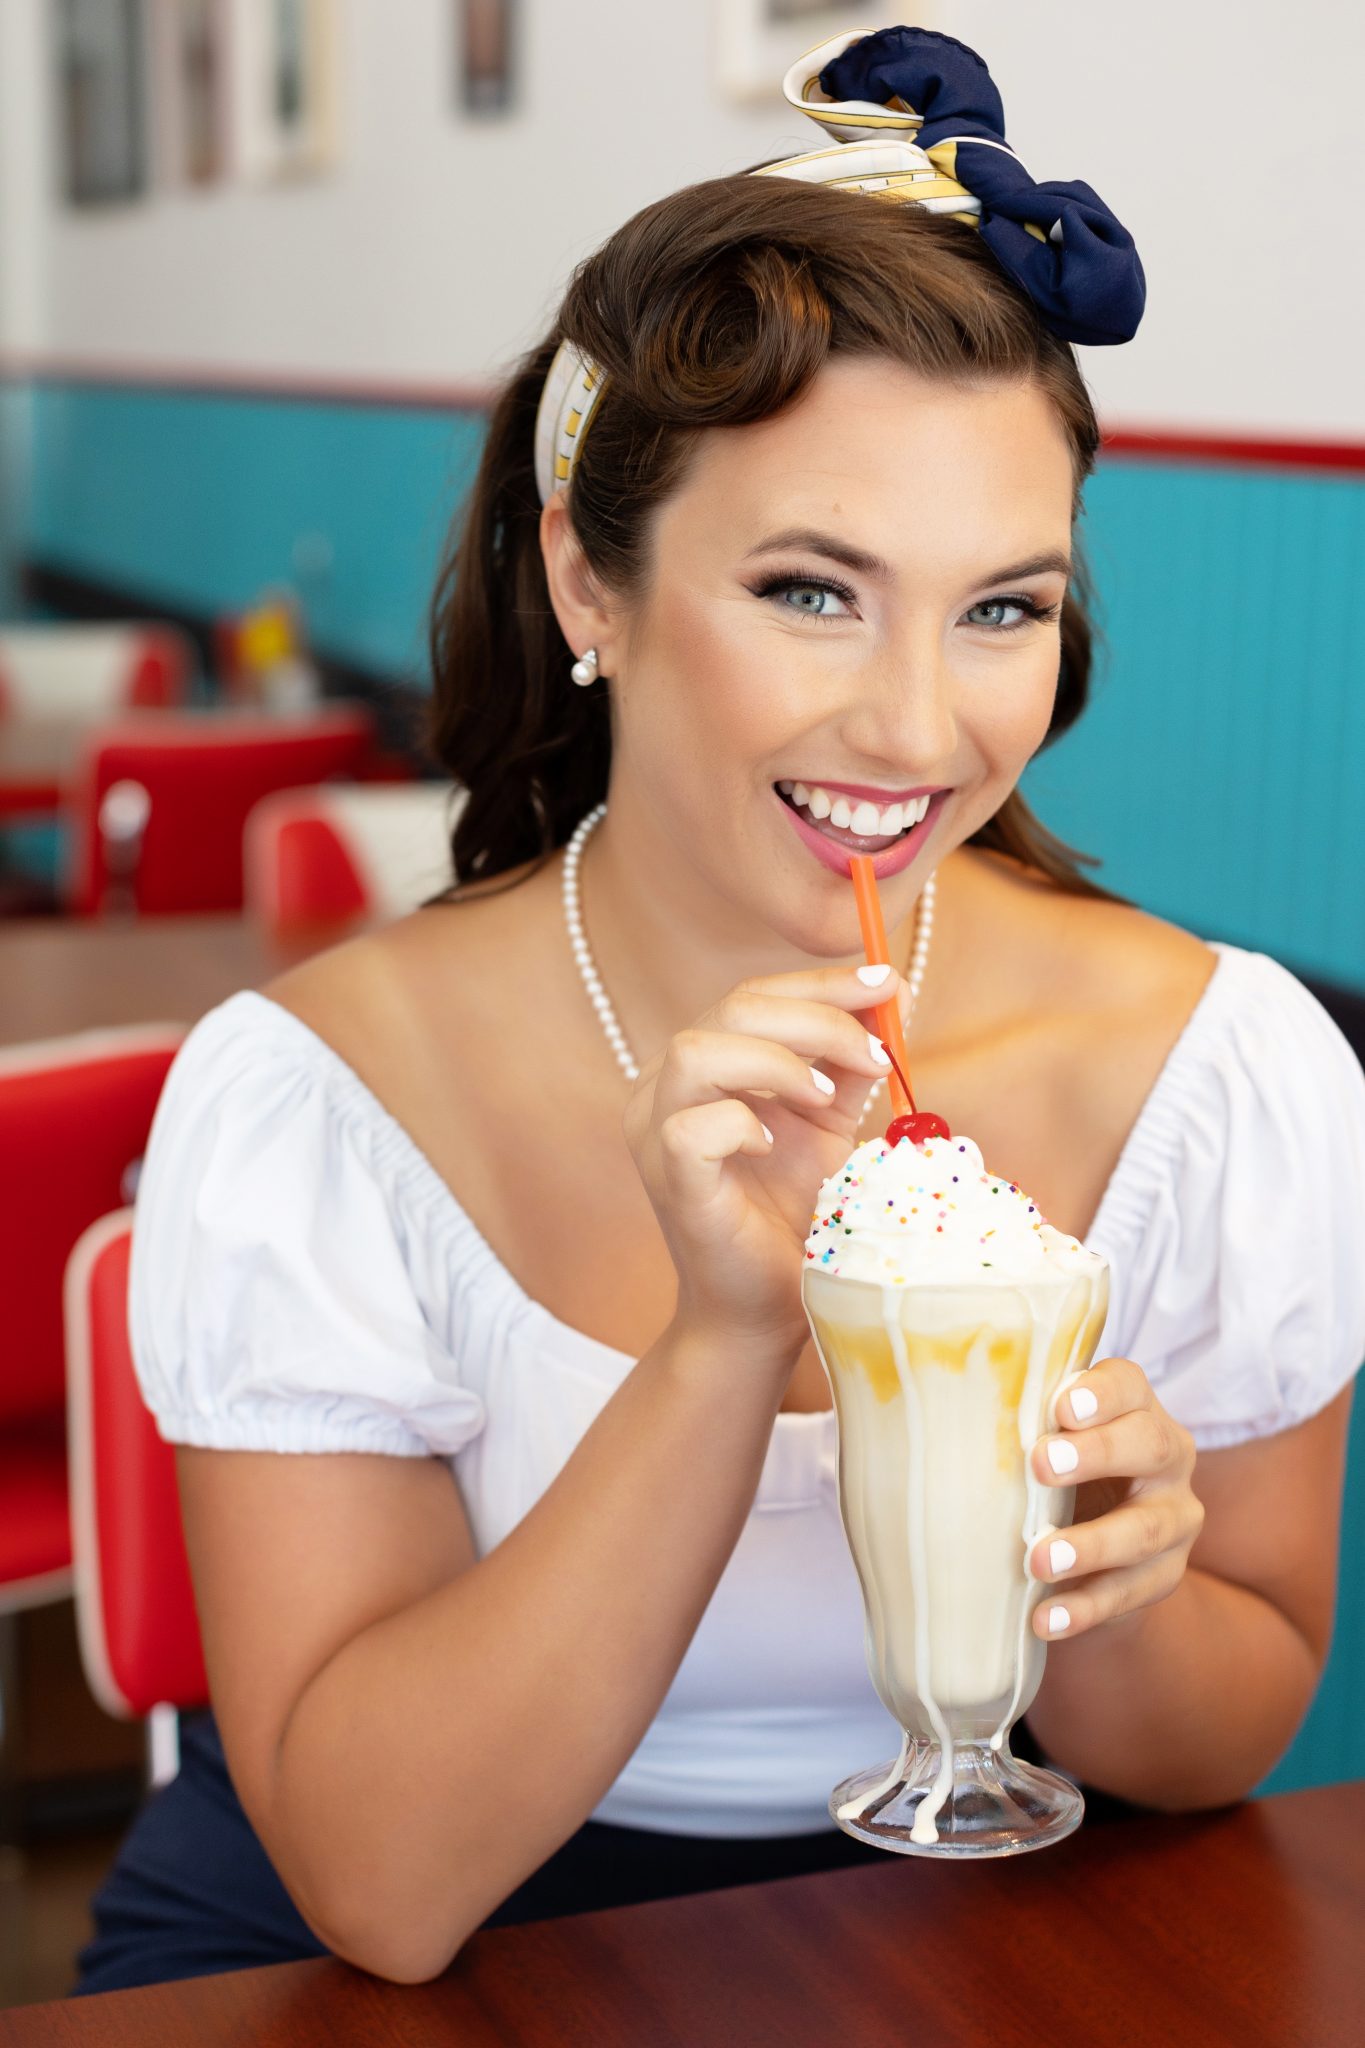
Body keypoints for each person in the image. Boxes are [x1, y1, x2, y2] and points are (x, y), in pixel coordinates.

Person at [73, 26, 1365, 1994]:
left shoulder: (1211, 1072)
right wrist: (721, 1337)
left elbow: (1212, 1744)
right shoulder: (322, 1099)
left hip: (951, 1904)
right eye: (807, 590)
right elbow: (380, 1887)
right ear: (587, 581)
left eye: (1000, 605)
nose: (919, 727)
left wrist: (1116, 1579)